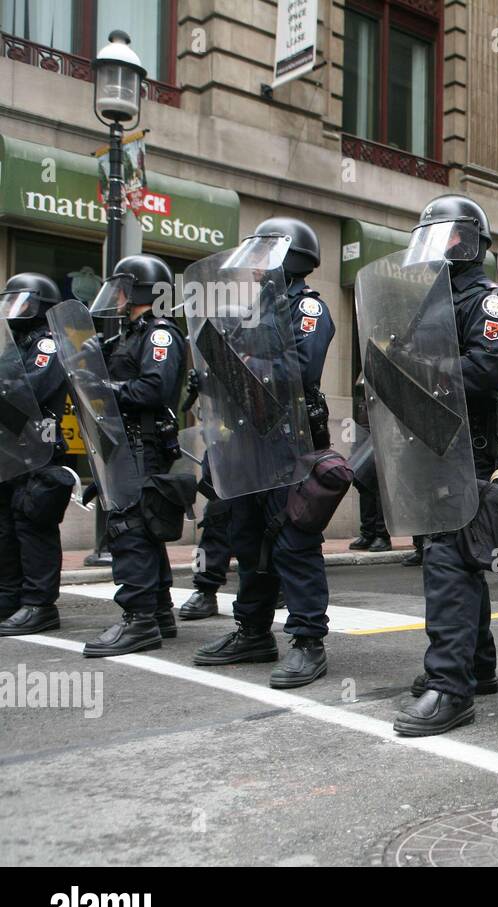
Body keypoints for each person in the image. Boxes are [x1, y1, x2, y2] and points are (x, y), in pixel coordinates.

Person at [191, 218, 335, 687]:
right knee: (248, 537)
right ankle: (252, 631)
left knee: (293, 539)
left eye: (263, 255)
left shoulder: (307, 307)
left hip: (289, 443)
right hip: (247, 441)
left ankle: (308, 641)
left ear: (289, 256)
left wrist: (250, 364)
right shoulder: (256, 309)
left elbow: (302, 367)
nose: (254, 266)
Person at [395, 195, 498, 734]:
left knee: (449, 560)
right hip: (431, 441)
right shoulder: (429, 300)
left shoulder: (485, 300)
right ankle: (477, 666)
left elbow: (487, 369)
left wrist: (422, 370)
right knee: (459, 559)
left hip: (468, 444)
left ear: (467, 241)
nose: (435, 245)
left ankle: (451, 687)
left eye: (443, 234)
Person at [81, 256, 187, 657]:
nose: (119, 296)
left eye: (124, 287)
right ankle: (158, 612)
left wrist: (105, 390)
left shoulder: (160, 334)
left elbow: (154, 389)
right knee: (144, 528)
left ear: (141, 290)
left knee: (130, 530)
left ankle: (138, 621)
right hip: (125, 444)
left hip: (143, 446)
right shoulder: (127, 335)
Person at [0, 273, 73, 637]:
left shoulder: (47, 343)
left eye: (22, 302)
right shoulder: (16, 346)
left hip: (37, 449)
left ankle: (39, 605)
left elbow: (31, 390)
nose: (14, 310)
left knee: (33, 527)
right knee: (6, 528)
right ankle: (9, 597)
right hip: (10, 452)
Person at [349, 370, 391, 553]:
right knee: (362, 483)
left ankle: (382, 534)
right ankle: (368, 531)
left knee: (380, 486)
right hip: (362, 429)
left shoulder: (384, 368)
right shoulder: (365, 372)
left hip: (380, 431)